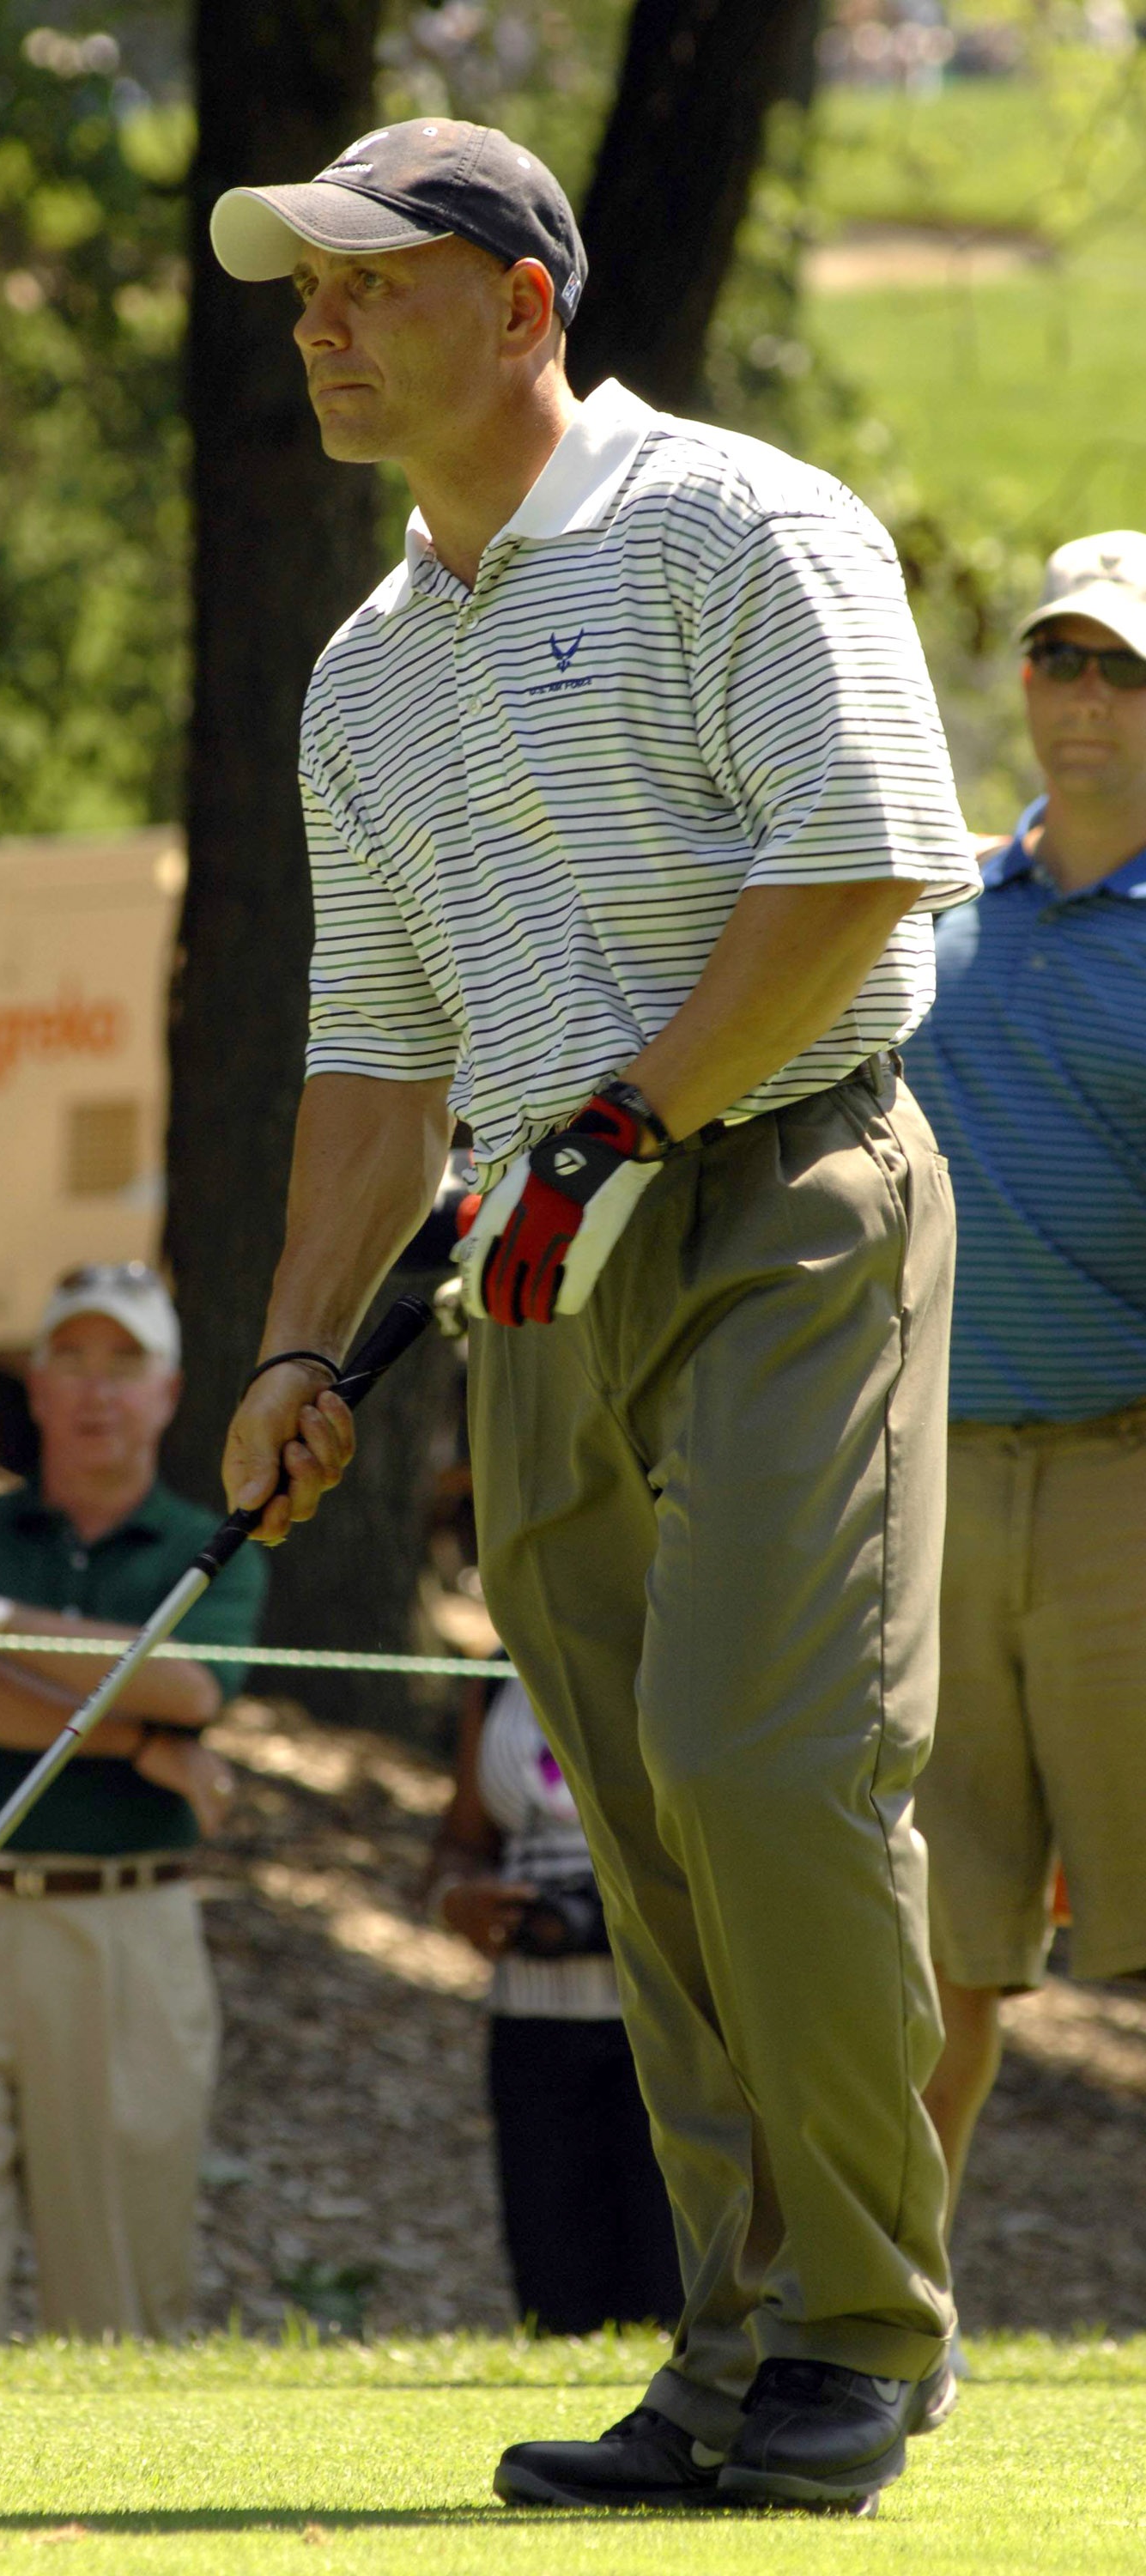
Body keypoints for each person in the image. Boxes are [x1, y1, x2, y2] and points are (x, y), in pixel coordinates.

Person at [208, 117, 981, 2510]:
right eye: (304, 293)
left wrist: (624, 1128)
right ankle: (739, 2345)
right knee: (631, 1826)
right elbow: (374, 1051)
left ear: (520, 306)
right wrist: (291, 1350)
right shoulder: (364, 675)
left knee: (769, 1768)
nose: (321, 328)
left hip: (779, 1195)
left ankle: (860, 2321)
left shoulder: (743, 526)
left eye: (368, 283)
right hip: (537, 1259)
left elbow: (854, 873)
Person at [0, 1262, 266, 2347]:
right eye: (71, 1363)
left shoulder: (212, 1544)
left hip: (123, 1931)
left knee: (119, 2292)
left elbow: (189, 1683)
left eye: (123, 1365)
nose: (96, 1392)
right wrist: (137, 1741)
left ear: (170, 1391)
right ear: (33, 1387)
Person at [900, 533, 1146, 2234]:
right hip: (927, 1493)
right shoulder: (930, 920)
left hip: (1127, 1490)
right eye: (1064, 660)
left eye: (1126, 670)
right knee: (934, 1956)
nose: (1086, 700)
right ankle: (879, 2325)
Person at [427, 1668, 680, 2335]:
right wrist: (459, 1900)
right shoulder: (495, 1679)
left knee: (671, 2285)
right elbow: (460, 1845)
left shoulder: (681, 1649)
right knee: (552, 2292)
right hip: (532, 2024)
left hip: (670, 2023)